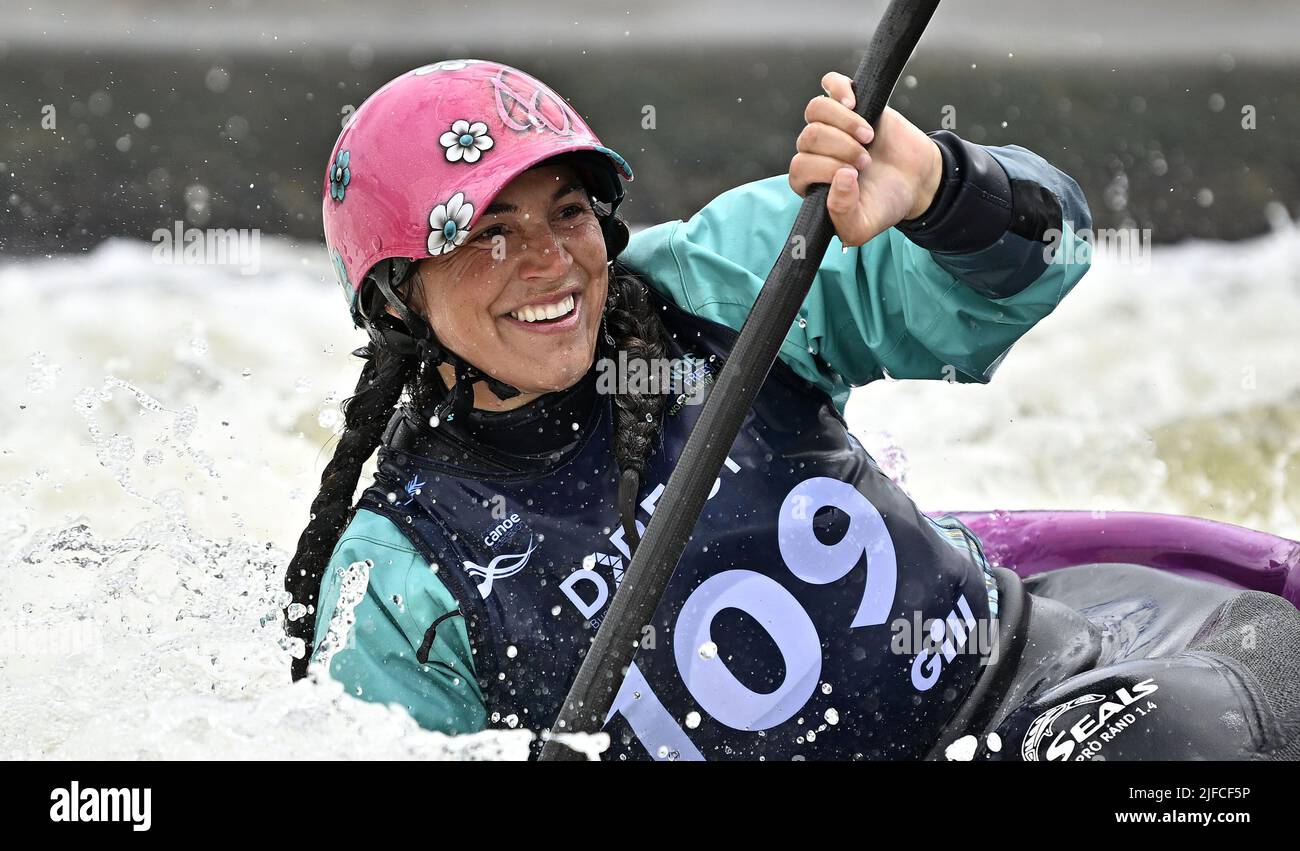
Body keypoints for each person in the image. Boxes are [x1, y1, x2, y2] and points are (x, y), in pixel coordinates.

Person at [285, 57, 1124, 760]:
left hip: (1032, 693)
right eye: (488, 232)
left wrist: (941, 189)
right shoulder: (401, 581)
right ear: (396, 300)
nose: (549, 260)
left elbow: (1044, 264)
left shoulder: (716, 287)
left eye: (568, 211)